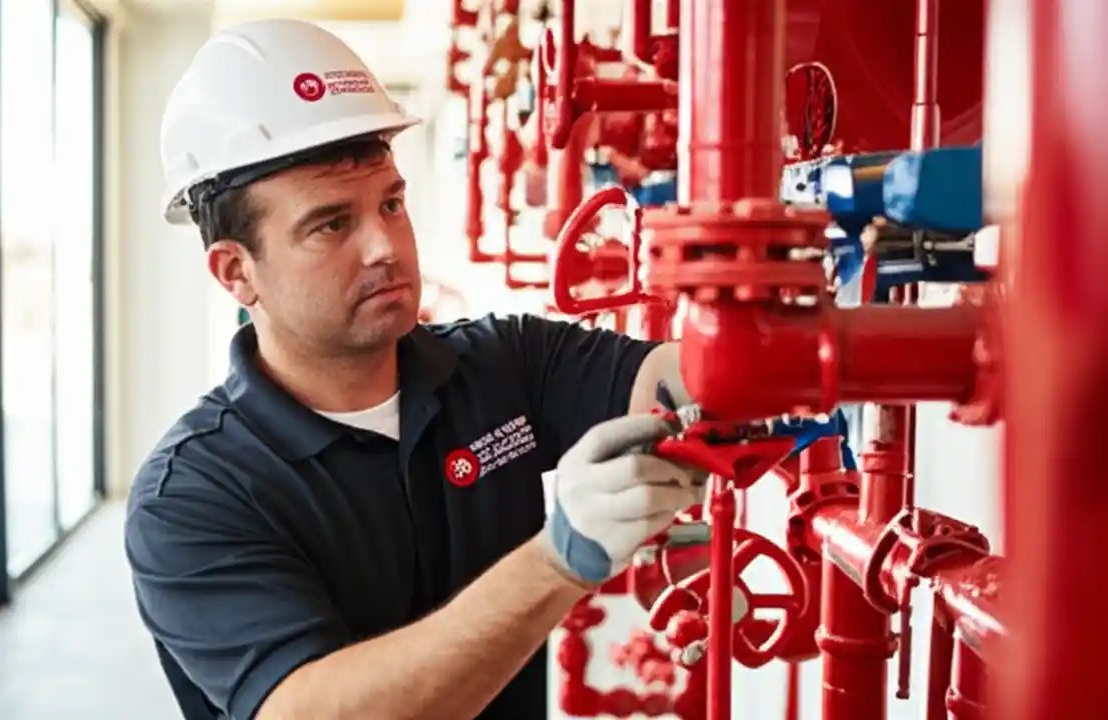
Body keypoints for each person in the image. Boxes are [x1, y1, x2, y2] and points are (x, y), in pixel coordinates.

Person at [124, 18, 704, 720]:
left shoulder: (505, 363)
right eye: (332, 224)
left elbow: (686, 379)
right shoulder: (192, 496)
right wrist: (556, 560)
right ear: (236, 272)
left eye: (391, 204)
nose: (385, 247)